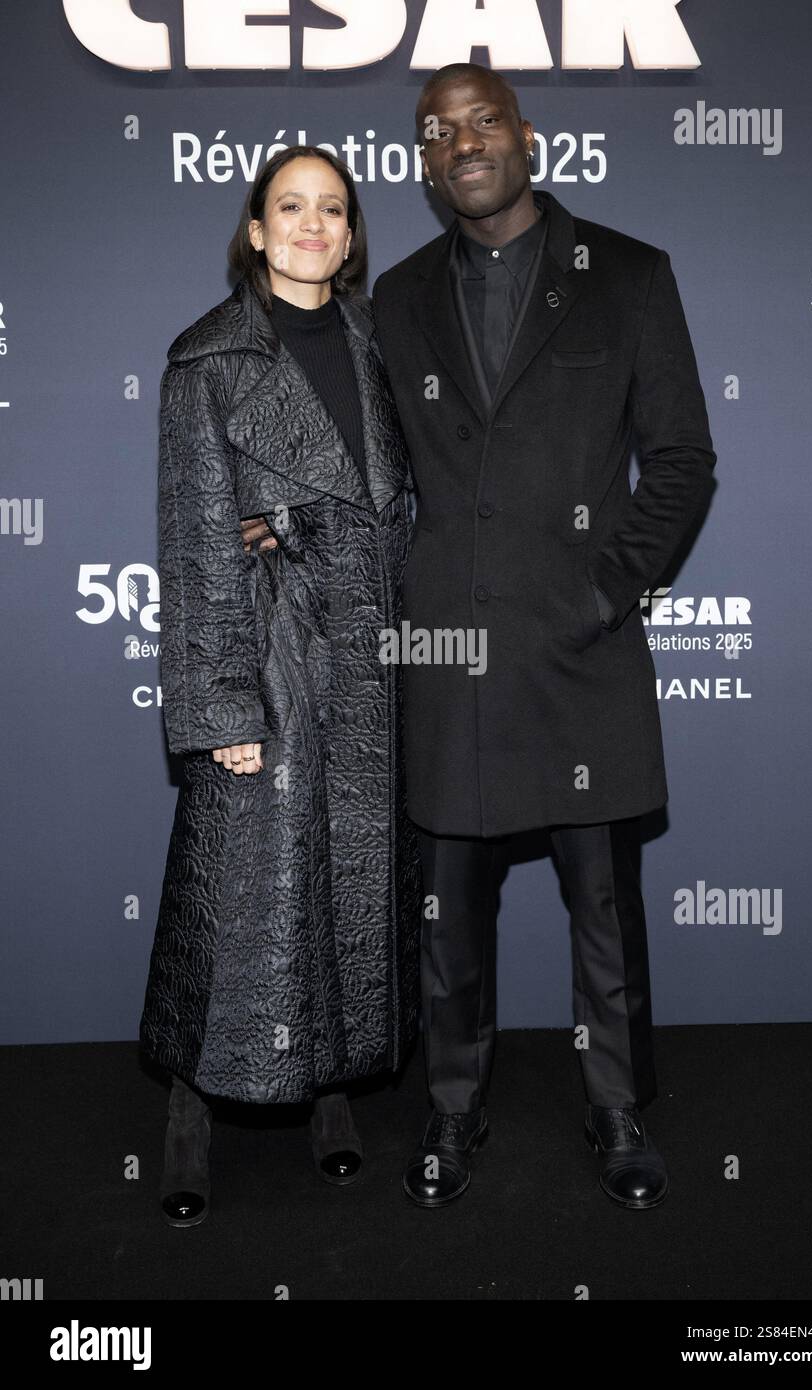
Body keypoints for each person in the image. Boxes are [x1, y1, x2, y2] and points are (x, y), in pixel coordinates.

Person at [241, 64, 717, 1212]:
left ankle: (614, 1104)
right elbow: (367, 472)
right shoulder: (391, 300)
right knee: (447, 913)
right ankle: (452, 1108)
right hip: (442, 663)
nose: (459, 141)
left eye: (479, 120)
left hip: (581, 656)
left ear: (525, 138)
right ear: (420, 161)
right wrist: (285, 515)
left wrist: (603, 597)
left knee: (601, 907)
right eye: (433, 131)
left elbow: (682, 464)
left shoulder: (630, 276)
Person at [140, 145, 421, 1227]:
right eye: (289, 207)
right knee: (241, 900)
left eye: (332, 209)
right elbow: (198, 549)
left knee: (345, 901)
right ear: (255, 230)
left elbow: (400, 508)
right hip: (270, 662)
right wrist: (220, 711)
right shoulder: (205, 361)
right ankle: (186, 1106)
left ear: (348, 238)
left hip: (372, 669)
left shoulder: (374, 347)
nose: (311, 224)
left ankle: (332, 1089)